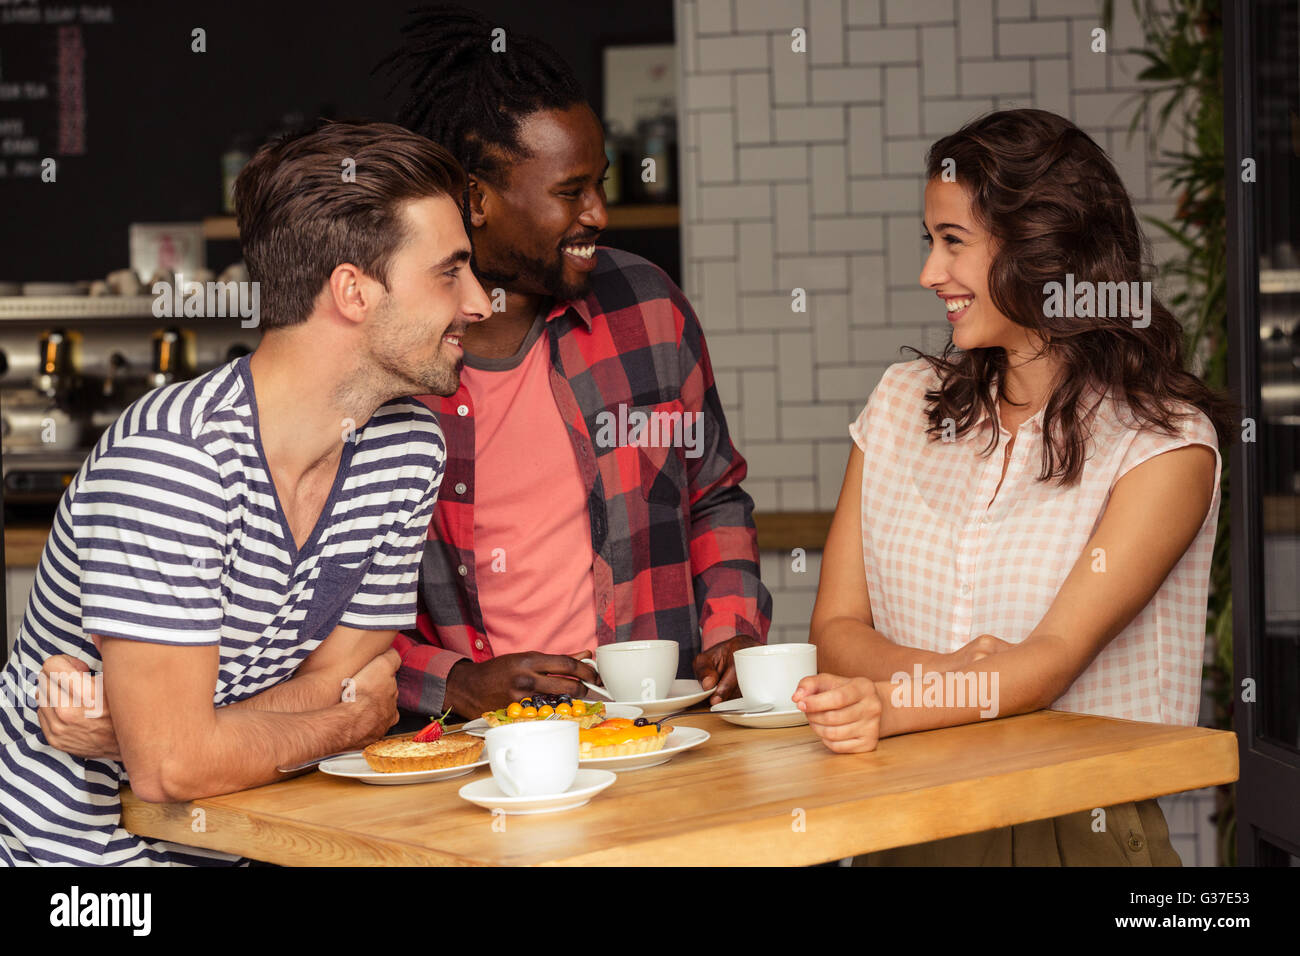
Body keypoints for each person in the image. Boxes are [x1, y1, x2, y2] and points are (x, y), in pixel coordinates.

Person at [3, 119, 490, 865]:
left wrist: (163, 732)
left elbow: (341, 681)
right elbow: (175, 768)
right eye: (450, 272)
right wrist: (340, 725)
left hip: (252, 843)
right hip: (82, 869)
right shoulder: (175, 461)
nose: (481, 302)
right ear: (352, 291)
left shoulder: (407, 449)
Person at [793, 109, 1235, 866]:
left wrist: (900, 700)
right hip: (899, 818)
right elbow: (834, 630)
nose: (930, 273)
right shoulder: (901, 406)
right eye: (930, 242)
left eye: (952, 242)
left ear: (1040, 248)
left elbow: (1050, 661)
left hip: (1072, 826)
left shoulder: (1164, 446)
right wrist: (960, 677)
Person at [377, 5, 771, 722]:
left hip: (658, 732)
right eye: (569, 193)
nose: (598, 213)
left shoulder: (648, 306)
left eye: (600, 183)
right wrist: (457, 683)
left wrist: (734, 629)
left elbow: (714, 495)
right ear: (477, 198)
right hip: (472, 752)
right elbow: (329, 593)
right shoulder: (389, 358)